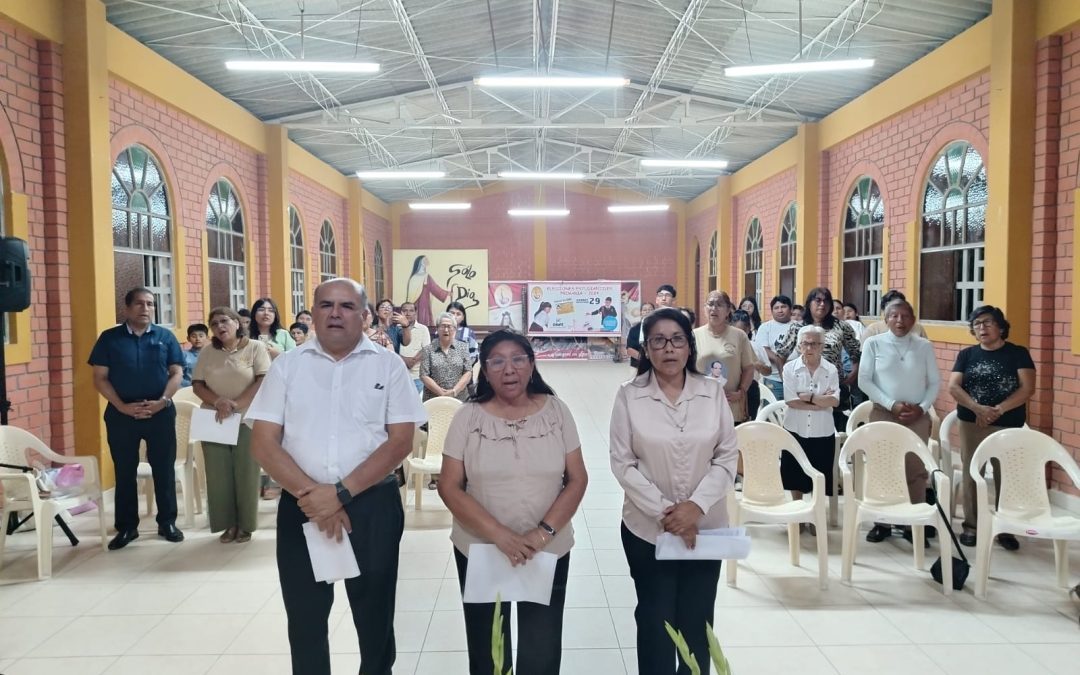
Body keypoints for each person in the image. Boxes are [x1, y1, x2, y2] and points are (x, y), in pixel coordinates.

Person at [246, 278, 426, 675]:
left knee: (375, 617)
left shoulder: (388, 365)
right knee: (306, 620)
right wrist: (317, 498)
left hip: (373, 506)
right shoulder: (288, 367)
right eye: (326, 305)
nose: (335, 314)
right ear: (313, 312)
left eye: (346, 306)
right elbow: (263, 442)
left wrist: (341, 493)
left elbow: (400, 443)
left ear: (364, 315)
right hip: (302, 508)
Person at [438, 330, 588, 675]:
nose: (509, 369)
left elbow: (577, 479)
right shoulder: (468, 417)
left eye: (518, 359)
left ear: (532, 365)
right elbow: (449, 486)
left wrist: (542, 533)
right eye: (498, 361)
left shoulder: (556, 412)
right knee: (489, 652)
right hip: (481, 549)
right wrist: (500, 535)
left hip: (546, 549)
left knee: (542, 648)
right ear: (485, 370)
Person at [610, 307, 739, 675]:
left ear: (689, 346)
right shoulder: (628, 396)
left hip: (707, 527)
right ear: (646, 349)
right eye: (658, 341)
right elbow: (623, 464)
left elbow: (727, 456)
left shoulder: (711, 393)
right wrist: (670, 513)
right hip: (648, 530)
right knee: (655, 620)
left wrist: (695, 507)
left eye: (677, 339)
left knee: (697, 620)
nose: (669, 348)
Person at [89, 287, 185, 549]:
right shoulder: (110, 338)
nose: (146, 309)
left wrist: (162, 402)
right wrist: (121, 406)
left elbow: (176, 372)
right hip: (122, 414)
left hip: (160, 412)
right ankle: (127, 527)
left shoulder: (165, 336)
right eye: (140, 304)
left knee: (163, 468)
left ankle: (167, 522)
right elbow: (99, 378)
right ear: (127, 308)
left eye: (150, 304)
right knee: (125, 470)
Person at [948, 306, 1035, 551]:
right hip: (971, 422)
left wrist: (997, 410)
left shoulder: (1018, 353)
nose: (982, 328)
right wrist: (978, 409)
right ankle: (972, 526)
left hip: (1008, 422)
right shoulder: (967, 355)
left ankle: (1006, 527)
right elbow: (954, 387)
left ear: (1000, 326)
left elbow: (1027, 389)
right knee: (972, 472)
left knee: (1006, 475)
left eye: (987, 323)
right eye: (976, 325)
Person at [859, 300, 940, 543]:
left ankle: (911, 524)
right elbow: (865, 380)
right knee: (883, 467)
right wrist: (890, 404)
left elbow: (935, 382)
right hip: (884, 413)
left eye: (905, 316)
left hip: (916, 415)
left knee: (915, 471)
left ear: (914, 320)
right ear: (885, 319)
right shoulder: (874, 344)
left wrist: (922, 408)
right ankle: (882, 522)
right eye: (894, 316)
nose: (900, 321)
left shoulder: (924, 346)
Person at [192, 307, 271, 544]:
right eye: (214, 324)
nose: (220, 327)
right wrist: (218, 402)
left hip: (246, 417)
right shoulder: (207, 352)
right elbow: (197, 384)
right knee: (218, 474)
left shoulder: (255, 347)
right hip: (215, 418)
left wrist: (235, 404)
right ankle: (227, 524)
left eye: (224, 321)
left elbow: (263, 380)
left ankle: (245, 525)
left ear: (237, 323)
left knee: (246, 472)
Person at [776, 288, 861, 431]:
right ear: (809, 303)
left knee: (832, 431)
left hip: (831, 390)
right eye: (818, 300)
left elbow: (856, 354)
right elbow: (781, 355)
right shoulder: (797, 327)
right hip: (802, 389)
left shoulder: (841, 326)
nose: (822, 304)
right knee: (802, 431)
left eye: (826, 301)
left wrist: (848, 380)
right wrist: (787, 381)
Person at [781, 325, 839, 530]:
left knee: (820, 474)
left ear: (822, 346)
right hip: (794, 428)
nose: (809, 347)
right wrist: (820, 402)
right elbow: (791, 401)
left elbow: (834, 401)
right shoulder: (789, 368)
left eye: (814, 343)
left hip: (822, 431)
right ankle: (797, 514)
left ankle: (815, 516)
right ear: (799, 345)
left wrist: (810, 397)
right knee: (794, 473)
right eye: (805, 343)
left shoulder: (830, 369)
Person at [693, 291, 755, 424]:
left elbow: (749, 368)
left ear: (728, 311)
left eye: (719, 305)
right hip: (701, 404)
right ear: (704, 308)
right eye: (710, 304)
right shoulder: (694, 336)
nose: (714, 308)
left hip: (731, 403)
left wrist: (741, 391)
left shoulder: (739, 336)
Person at [420, 313, 473, 403]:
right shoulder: (428, 349)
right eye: (442, 326)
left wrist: (454, 391)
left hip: (459, 398)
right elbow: (424, 375)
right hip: (433, 399)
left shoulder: (463, 347)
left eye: (449, 326)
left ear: (455, 329)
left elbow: (468, 372)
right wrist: (441, 393)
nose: (446, 330)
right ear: (437, 329)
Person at [755, 295, 795, 401]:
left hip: (796, 379)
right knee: (773, 413)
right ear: (772, 311)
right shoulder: (765, 327)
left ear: (790, 309)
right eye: (776, 308)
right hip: (773, 379)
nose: (780, 310)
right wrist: (778, 359)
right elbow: (763, 349)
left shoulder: (798, 327)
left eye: (783, 307)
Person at [733, 309, 770, 421]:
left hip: (751, 390)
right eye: (735, 331)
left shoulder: (756, 347)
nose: (739, 335)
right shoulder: (726, 347)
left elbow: (768, 371)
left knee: (748, 423)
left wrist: (755, 364)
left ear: (748, 329)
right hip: (732, 389)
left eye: (742, 331)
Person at [861, 290, 928, 344]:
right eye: (894, 313)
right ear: (883, 310)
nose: (899, 319)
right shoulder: (873, 330)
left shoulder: (918, 329)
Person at [405, 254, 451, 327]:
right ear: (421, 263)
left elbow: (434, 288)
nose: (427, 261)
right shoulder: (415, 277)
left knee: (423, 320)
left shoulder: (425, 276)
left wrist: (446, 293)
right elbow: (435, 288)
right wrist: (447, 293)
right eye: (425, 260)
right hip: (417, 303)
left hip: (424, 302)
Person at [398, 300, 431, 394]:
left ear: (415, 313)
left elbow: (426, 349)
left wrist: (413, 361)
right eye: (405, 311)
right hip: (399, 376)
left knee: (418, 406)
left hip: (418, 376)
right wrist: (404, 360)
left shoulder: (423, 329)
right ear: (401, 313)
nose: (408, 313)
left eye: (411, 310)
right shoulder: (396, 328)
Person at [447, 301, 479, 366]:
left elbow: (474, 354)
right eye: (452, 313)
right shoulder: (439, 332)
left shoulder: (468, 333)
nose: (454, 316)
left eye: (458, 314)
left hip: (463, 370)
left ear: (463, 318)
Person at [625, 301, 654, 368]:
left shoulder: (660, 328)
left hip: (656, 364)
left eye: (650, 309)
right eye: (644, 310)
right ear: (641, 313)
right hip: (637, 364)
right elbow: (629, 350)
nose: (647, 311)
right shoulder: (634, 329)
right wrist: (643, 359)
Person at [181, 323, 208, 387]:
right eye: (194, 336)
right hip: (189, 390)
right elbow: (177, 376)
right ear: (188, 338)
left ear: (207, 337)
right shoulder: (184, 355)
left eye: (201, 336)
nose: (197, 339)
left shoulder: (214, 355)